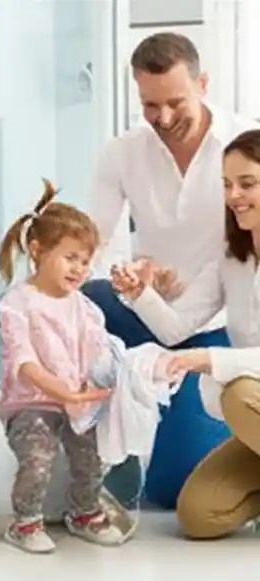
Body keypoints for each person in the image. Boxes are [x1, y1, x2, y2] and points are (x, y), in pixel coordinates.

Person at [82, 31, 255, 506]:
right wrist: (136, 270)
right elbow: (92, 244)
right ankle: (78, 457)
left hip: (218, 328)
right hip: (157, 314)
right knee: (80, 300)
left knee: (171, 489)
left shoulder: (245, 146)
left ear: (203, 84)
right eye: (149, 104)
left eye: (175, 101)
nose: (164, 118)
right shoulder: (122, 153)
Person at [112, 129, 260, 540]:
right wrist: (139, 293)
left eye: (248, 183)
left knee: (241, 394)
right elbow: (175, 328)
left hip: (253, 399)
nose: (234, 195)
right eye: (227, 184)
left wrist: (209, 360)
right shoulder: (232, 260)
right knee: (199, 514)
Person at [0, 179, 126, 553]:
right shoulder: (18, 302)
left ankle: (84, 512)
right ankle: (24, 522)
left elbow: (99, 352)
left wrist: (109, 383)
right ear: (37, 251)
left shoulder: (84, 307)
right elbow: (23, 362)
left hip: (74, 400)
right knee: (37, 456)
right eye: (71, 258)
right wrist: (63, 392)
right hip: (30, 403)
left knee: (91, 455)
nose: (80, 269)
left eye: (86, 261)